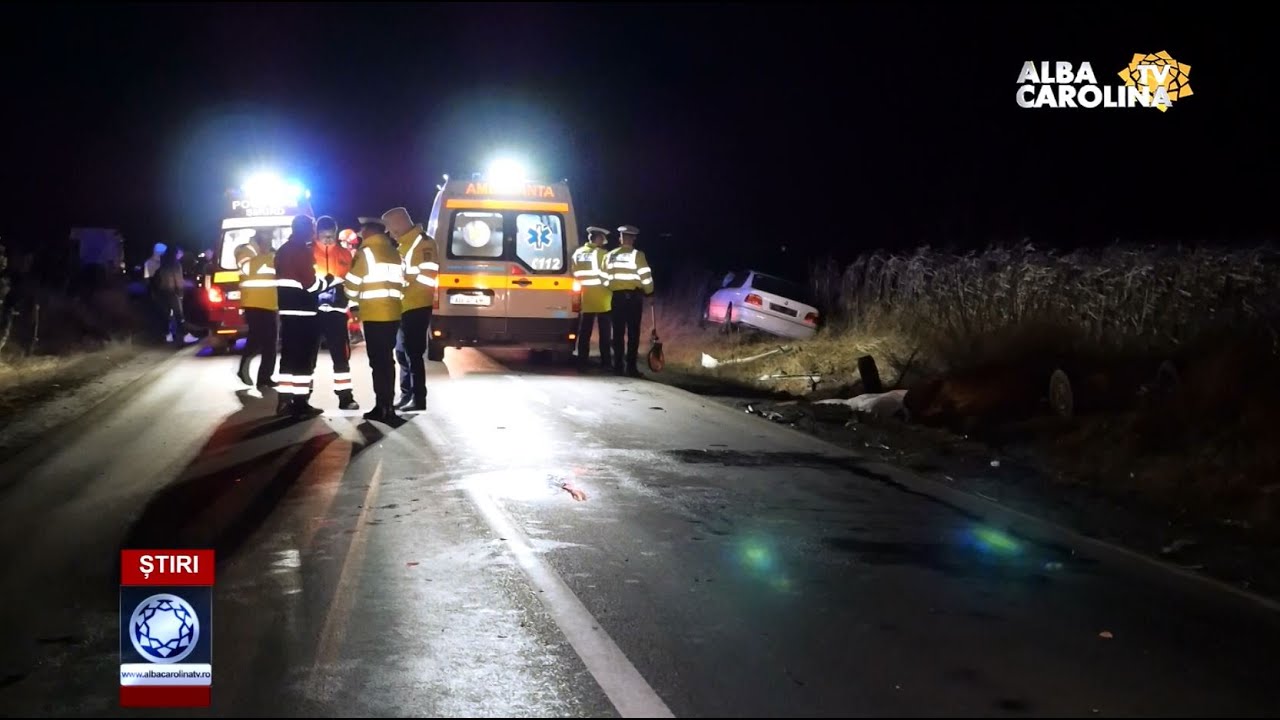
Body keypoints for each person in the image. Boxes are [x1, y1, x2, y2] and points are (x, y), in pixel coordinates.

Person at [346, 217, 406, 422]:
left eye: (363, 230)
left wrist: (353, 303)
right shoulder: (394, 253)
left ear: (370, 231)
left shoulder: (366, 253)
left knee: (378, 363)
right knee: (387, 361)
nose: (361, 234)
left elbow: (351, 285)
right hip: (393, 314)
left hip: (373, 314)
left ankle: (382, 407)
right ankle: (388, 406)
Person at [381, 206, 438, 411]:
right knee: (401, 354)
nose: (389, 233)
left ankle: (418, 398)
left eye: (390, 228)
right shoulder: (403, 244)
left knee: (413, 354)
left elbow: (428, 277)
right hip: (403, 306)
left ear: (397, 226)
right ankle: (406, 395)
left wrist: (402, 285)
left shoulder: (424, 244)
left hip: (416, 306)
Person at [273, 214, 328, 417]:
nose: (313, 232)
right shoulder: (302, 251)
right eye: (311, 228)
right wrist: (328, 282)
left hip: (288, 312)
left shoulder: (283, 250)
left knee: (288, 358)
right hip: (305, 312)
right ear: (304, 229)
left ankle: (284, 401)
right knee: (304, 359)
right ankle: (301, 403)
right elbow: (311, 284)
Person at [313, 216, 359, 410]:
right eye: (324, 236)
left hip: (337, 312)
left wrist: (354, 308)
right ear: (316, 234)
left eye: (331, 236)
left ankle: (345, 397)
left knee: (341, 357)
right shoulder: (308, 252)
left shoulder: (345, 254)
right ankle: (302, 398)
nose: (328, 240)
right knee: (307, 357)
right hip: (313, 312)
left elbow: (352, 283)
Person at [603, 225, 654, 377]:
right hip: (633, 299)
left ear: (620, 238)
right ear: (633, 239)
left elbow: (604, 277)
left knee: (617, 332)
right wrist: (650, 292)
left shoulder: (610, 255)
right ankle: (631, 368)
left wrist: (612, 288)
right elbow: (645, 276)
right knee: (633, 333)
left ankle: (618, 366)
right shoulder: (637, 255)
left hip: (616, 298)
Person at [235, 228, 278, 389]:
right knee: (256, 339)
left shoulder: (271, 254)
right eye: (268, 237)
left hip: (271, 303)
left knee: (271, 344)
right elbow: (247, 268)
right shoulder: (244, 251)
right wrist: (267, 255)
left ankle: (265, 378)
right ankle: (243, 368)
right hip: (253, 303)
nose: (270, 241)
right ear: (260, 237)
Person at [570, 226, 614, 371]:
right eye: (602, 239)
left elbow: (574, 273)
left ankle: (582, 362)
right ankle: (606, 363)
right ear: (598, 238)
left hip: (585, 297)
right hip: (602, 298)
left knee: (584, 332)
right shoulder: (601, 254)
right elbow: (607, 274)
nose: (603, 242)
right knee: (604, 333)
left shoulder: (578, 253)